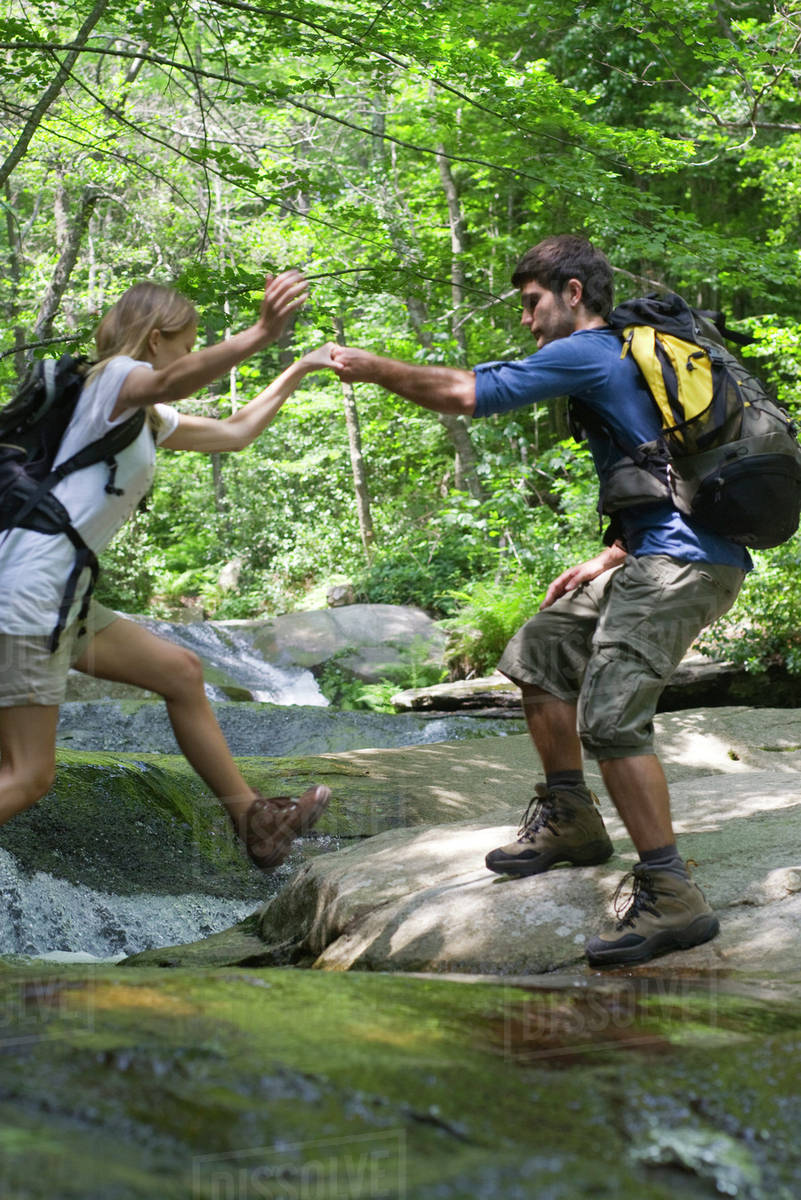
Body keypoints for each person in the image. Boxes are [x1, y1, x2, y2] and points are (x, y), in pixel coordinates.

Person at [326, 234, 749, 967]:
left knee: (611, 717)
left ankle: (671, 893)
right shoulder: (624, 354)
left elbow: (467, 393)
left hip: (683, 564)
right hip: (655, 552)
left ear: (573, 293)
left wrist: (372, 369)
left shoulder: (590, 350)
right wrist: (606, 556)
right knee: (541, 650)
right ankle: (571, 820)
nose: (525, 319)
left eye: (531, 302)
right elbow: (660, 470)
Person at [0, 270, 331, 870]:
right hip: (29, 596)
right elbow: (175, 380)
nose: (185, 354)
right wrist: (259, 332)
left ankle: (254, 820)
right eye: (185, 341)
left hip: (60, 595)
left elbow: (234, 432)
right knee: (27, 777)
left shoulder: (138, 415)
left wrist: (299, 366)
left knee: (180, 671)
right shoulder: (116, 379)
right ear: (156, 339)